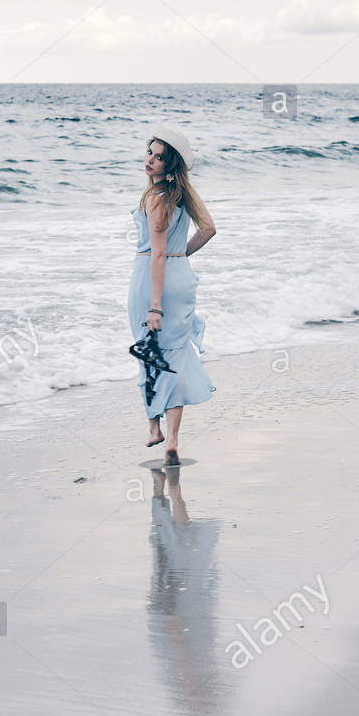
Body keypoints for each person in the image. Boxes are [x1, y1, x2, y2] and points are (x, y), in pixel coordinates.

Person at [127, 126, 217, 465]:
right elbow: (209, 229)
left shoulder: (154, 199)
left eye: (159, 157)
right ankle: (173, 441)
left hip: (153, 281)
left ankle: (154, 428)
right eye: (150, 152)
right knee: (175, 357)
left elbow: (158, 254)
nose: (150, 160)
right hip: (180, 277)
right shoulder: (185, 193)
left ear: (170, 164)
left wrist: (154, 306)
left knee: (149, 352)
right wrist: (183, 257)